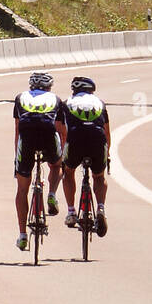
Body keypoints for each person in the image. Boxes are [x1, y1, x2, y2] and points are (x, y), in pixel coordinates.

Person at [12, 70, 66, 253]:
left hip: (26, 139)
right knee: (57, 164)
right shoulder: (56, 99)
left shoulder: (20, 98)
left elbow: (17, 129)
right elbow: (60, 129)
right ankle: (51, 193)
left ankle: (22, 236)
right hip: (48, 137)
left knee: (22, 188)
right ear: (49, 86)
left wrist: (16, 157)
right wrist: (62, 155)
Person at [60, 75, 111, 236]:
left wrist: (62, 152)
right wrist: (107, 153)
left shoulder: (66, 103)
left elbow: (61, 131)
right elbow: (106, 132)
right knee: (99, 176)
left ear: (74, 90)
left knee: (68, 172)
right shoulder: (100, 103)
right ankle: (101, 208)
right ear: (91, 91)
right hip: (98, 139)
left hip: (75, 140)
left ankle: (71, 212)